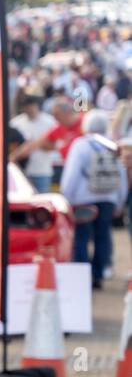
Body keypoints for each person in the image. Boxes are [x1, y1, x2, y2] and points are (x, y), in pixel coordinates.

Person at [61, 110, 127, 290]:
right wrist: (119, 201)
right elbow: (121, 175)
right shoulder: (112, 145)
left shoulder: (80, 145)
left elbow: (71, 175)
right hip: (108, 199)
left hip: (83, 199)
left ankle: (83, 275)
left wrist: (66, 197)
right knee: (103, 236)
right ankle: (98, 275)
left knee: (82, 236)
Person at [10, 91, 57, 192]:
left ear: (37, 106)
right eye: (26, 106)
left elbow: (56, 145)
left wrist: (35, 145)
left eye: (31, 106)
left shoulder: (50, 122)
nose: (29, 109)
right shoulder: (16, 123)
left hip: (42, 170)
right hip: (21, 171)